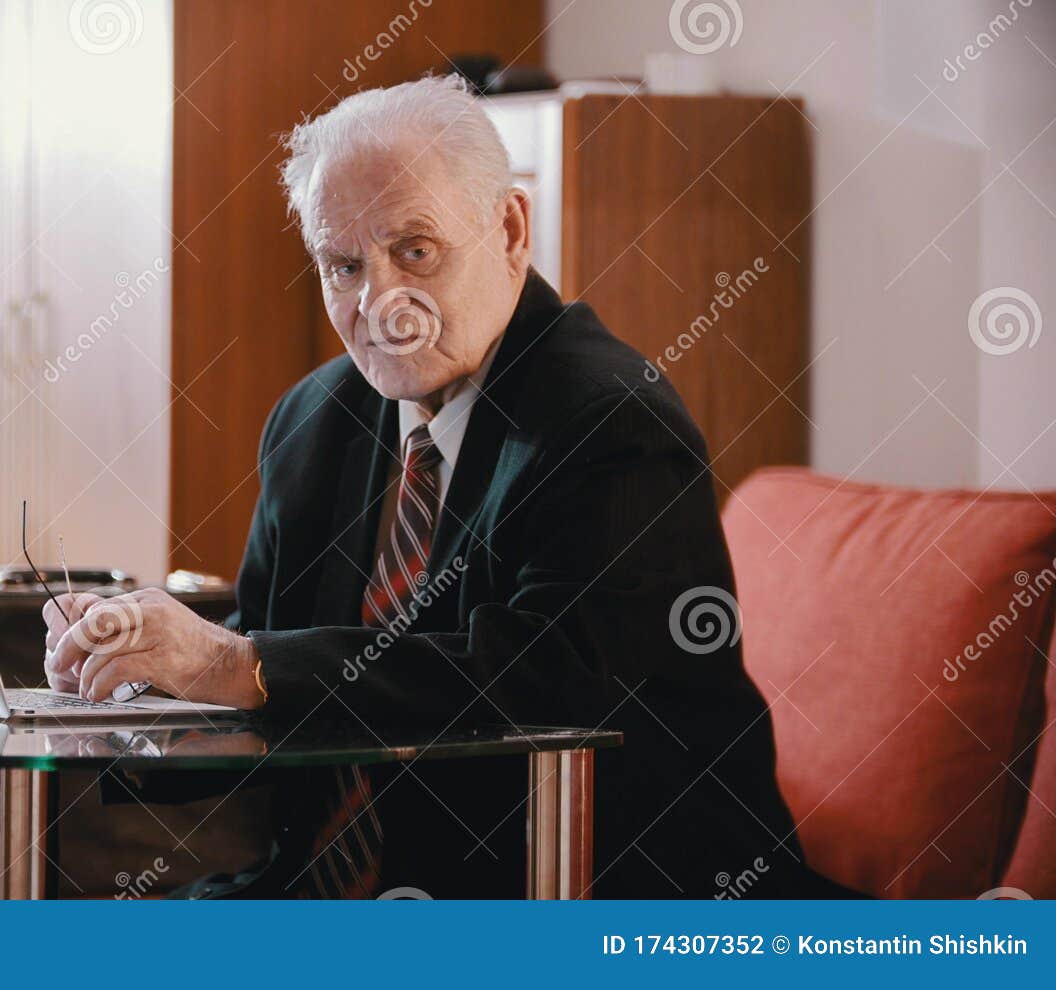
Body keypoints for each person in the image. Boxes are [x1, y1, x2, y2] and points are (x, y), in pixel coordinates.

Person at [43, 74, 822, 898]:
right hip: (327, 895)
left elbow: (541, 681)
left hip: (587, 899)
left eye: (415, 250)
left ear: (511, 228)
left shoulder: (611, 421)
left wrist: (237, 663)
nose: (381, 306)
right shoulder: (314, 420)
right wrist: (139, 675)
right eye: (344, 266)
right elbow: (268, 649)